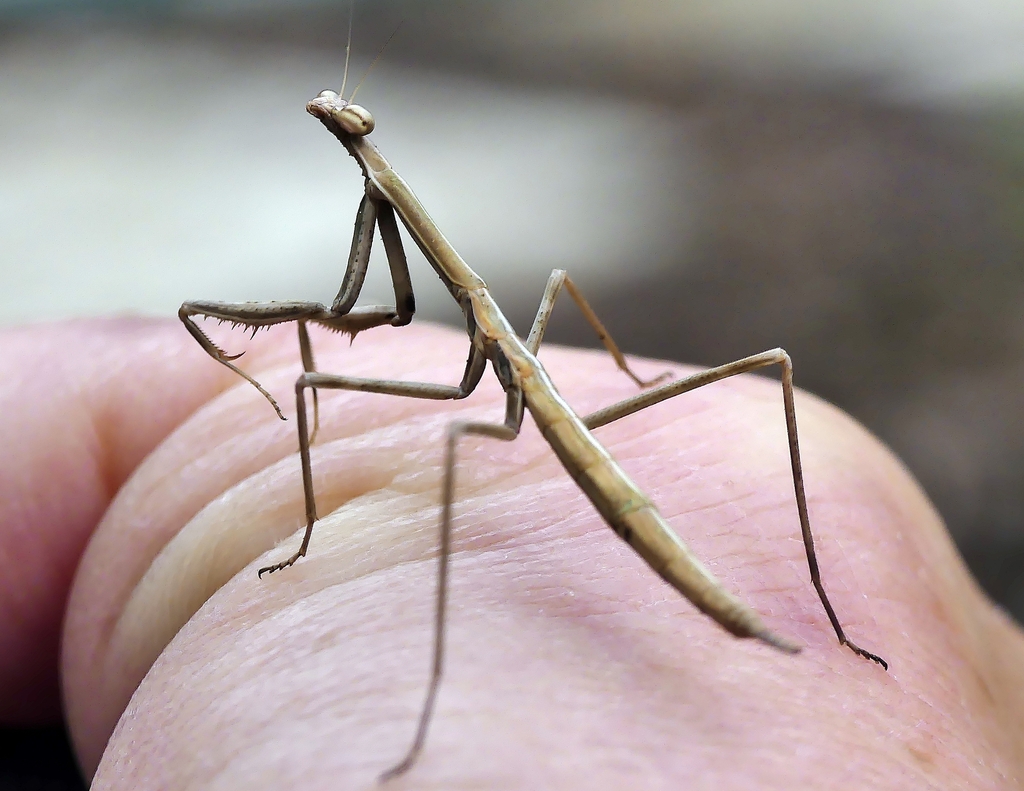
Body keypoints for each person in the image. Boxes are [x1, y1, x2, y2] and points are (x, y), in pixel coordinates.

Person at [3, 318, 1022, 787]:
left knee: (357, 406)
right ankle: (829, 621)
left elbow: (380, 321)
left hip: (601, 478)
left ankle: (823, 614)